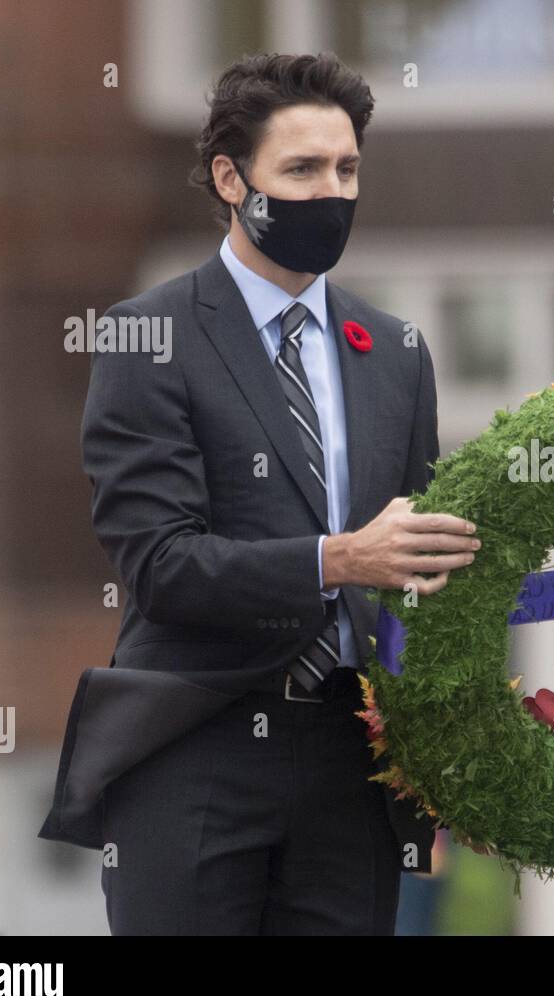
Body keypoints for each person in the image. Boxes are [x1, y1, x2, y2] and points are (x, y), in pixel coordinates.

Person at [38, 52, 481, 935]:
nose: (331, 192)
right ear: (231, 180)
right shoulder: (147, 336)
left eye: (347, 169)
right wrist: (340, 559)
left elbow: (424, 579)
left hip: (350, 769)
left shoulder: (394, 351)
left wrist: (453, 758)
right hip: (195, 750)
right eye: (303, 170)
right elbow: (161, 563)